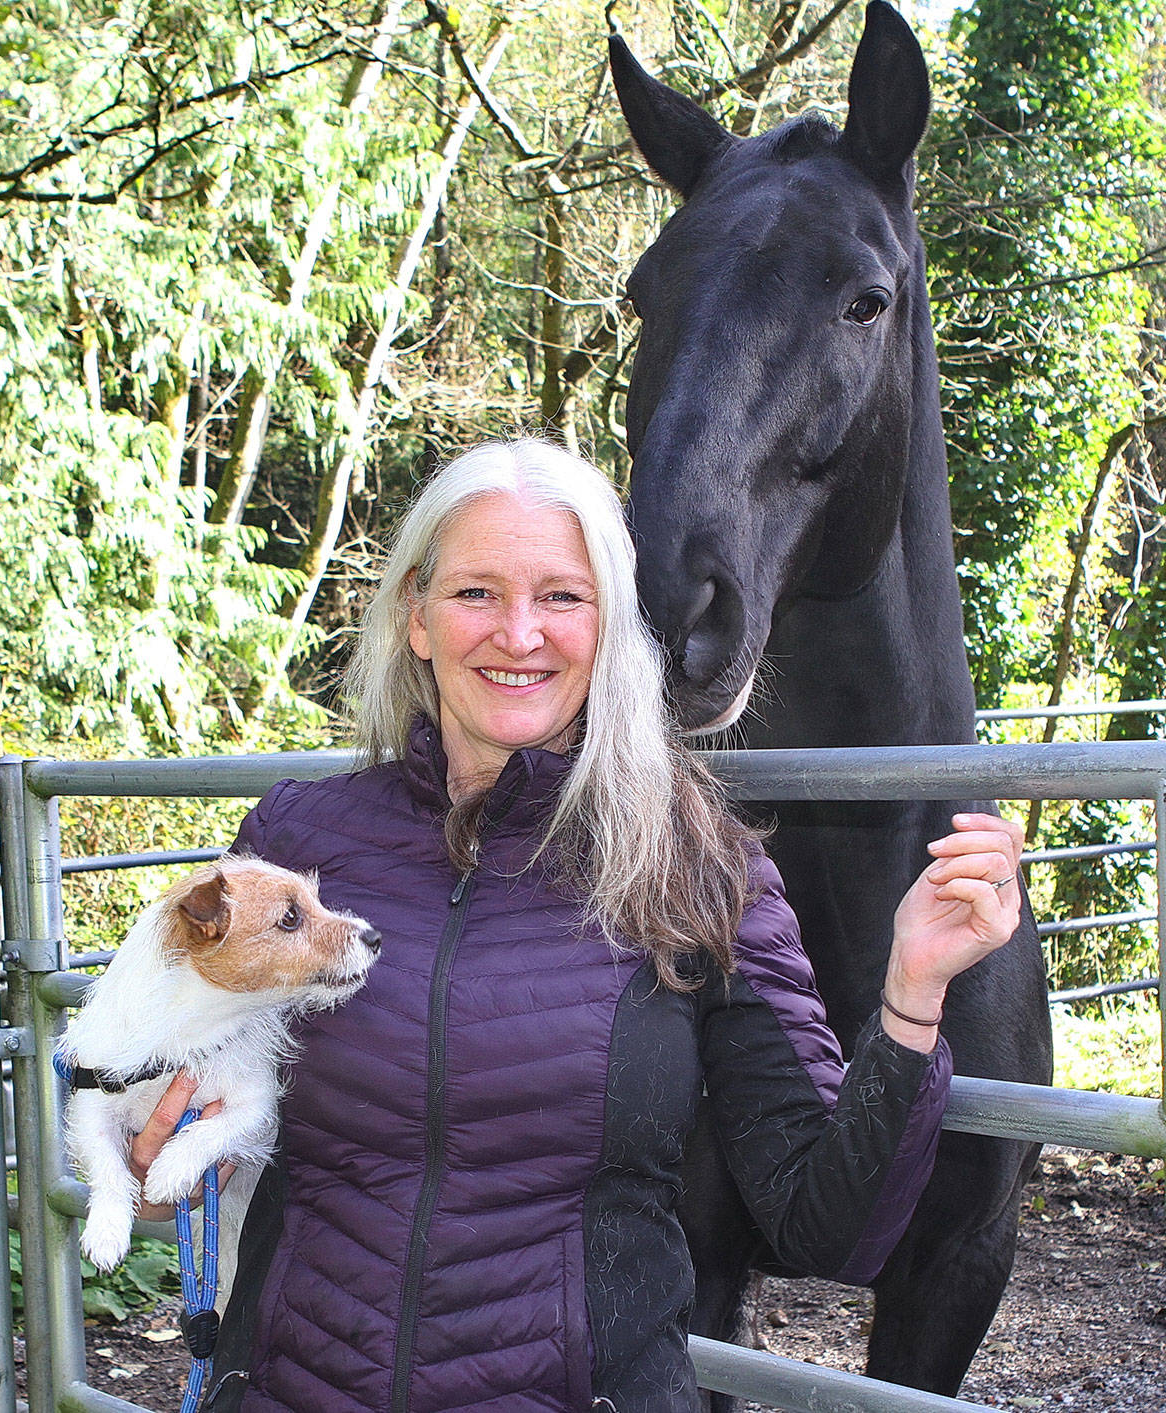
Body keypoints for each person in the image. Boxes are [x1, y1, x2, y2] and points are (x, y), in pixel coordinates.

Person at [130, 438, 1022, 1413]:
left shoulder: (696, 868)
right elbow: (173, 1094)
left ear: (609, 626)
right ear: (415, 617)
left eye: (560, 596)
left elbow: (828, 1229)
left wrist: (910, 998)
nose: (518, 634)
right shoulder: (294, 845)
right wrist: (152, 1137)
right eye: (476, 593)